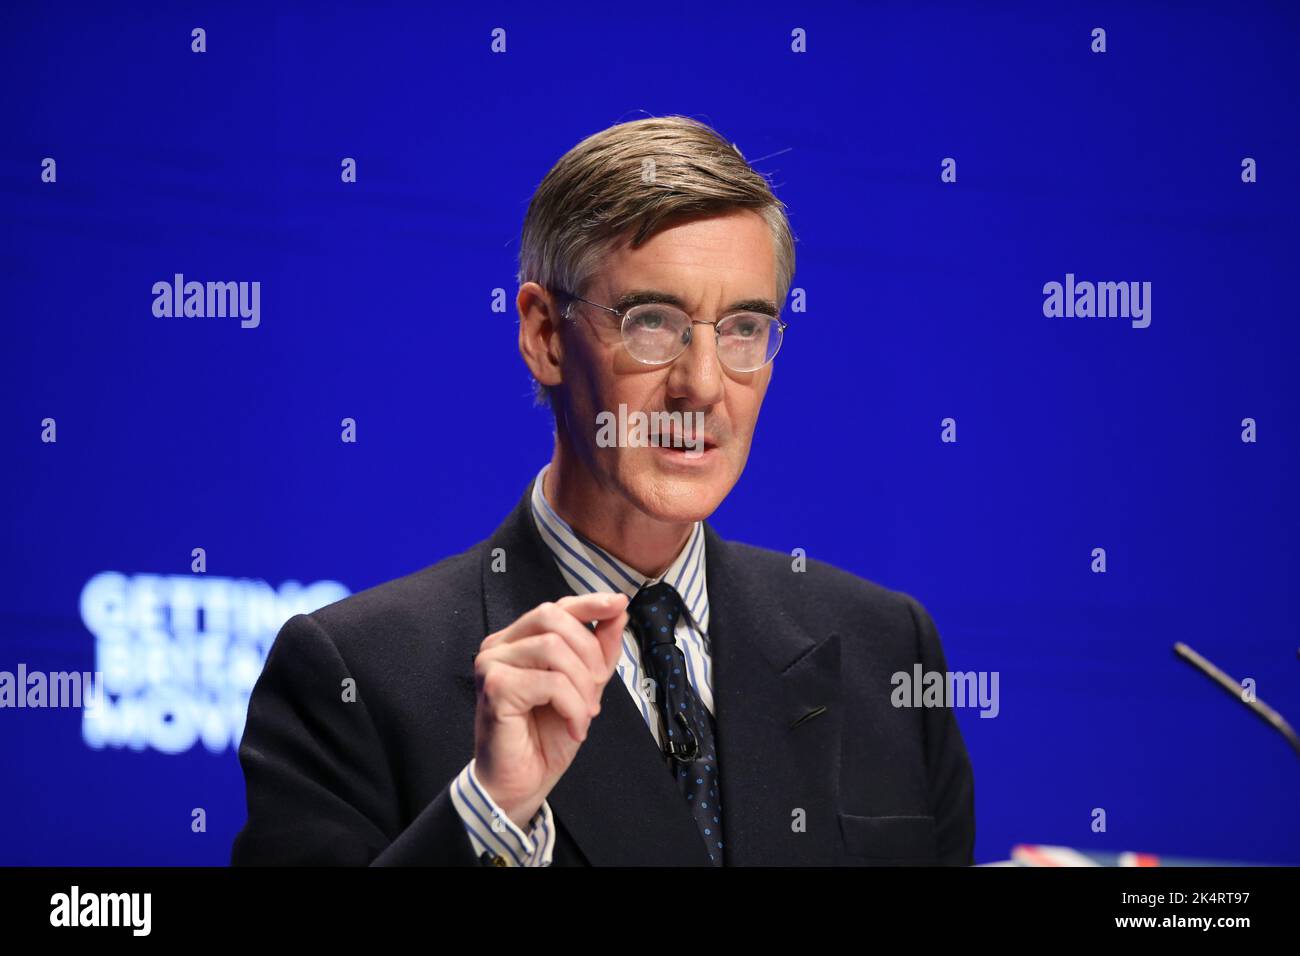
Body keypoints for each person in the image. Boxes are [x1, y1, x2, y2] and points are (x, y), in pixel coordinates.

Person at [231, 115, 975, 866]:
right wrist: (491, 812)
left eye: (744, 328)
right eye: (652, 322)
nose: (703, 385)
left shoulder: (885, 648)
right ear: (545, 337)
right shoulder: (354, 675)